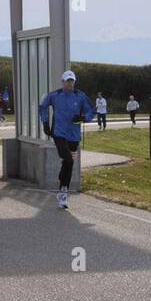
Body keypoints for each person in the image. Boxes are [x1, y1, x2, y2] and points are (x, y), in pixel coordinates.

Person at [38, 70, 96, 209]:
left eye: (72, 80)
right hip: (59, 133)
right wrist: (45, 123)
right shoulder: (55, 95)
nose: (70, 83)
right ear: (63, 82)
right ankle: (63, 191)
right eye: (67, 80)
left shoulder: (80, 96)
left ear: (74, 81)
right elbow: (42, 107)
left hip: (74, 135)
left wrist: (83, 118)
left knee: (68, 164)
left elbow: (91, 111)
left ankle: (63, 191)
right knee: (68, 160)